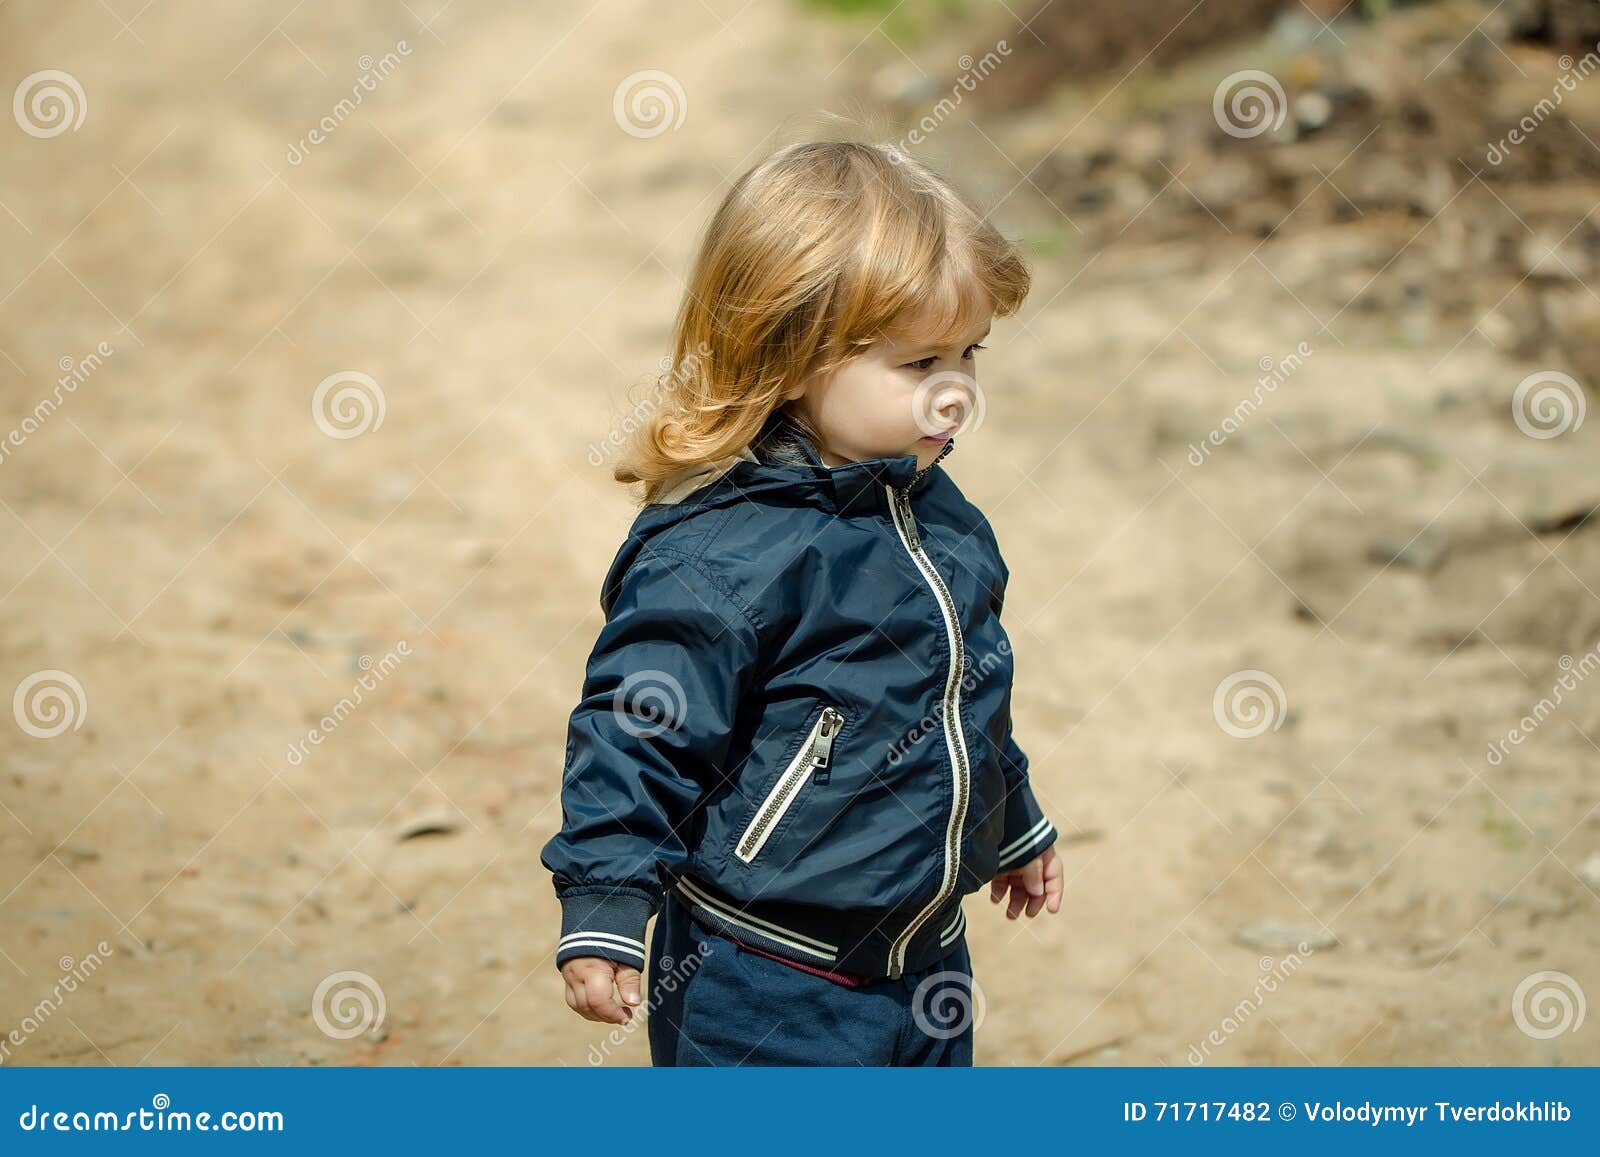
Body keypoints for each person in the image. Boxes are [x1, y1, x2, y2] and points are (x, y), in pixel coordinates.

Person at [539, 138, 1063, 1066]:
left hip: (928, 961)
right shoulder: (717, 557)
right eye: (919, 363)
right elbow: (636, 729)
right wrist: (608, 902)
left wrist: (1010, 819)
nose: (957, 392)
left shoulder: (941, 518)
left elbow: (964, 695)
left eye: (969, 353)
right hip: (762, 975)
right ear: (786, 356)